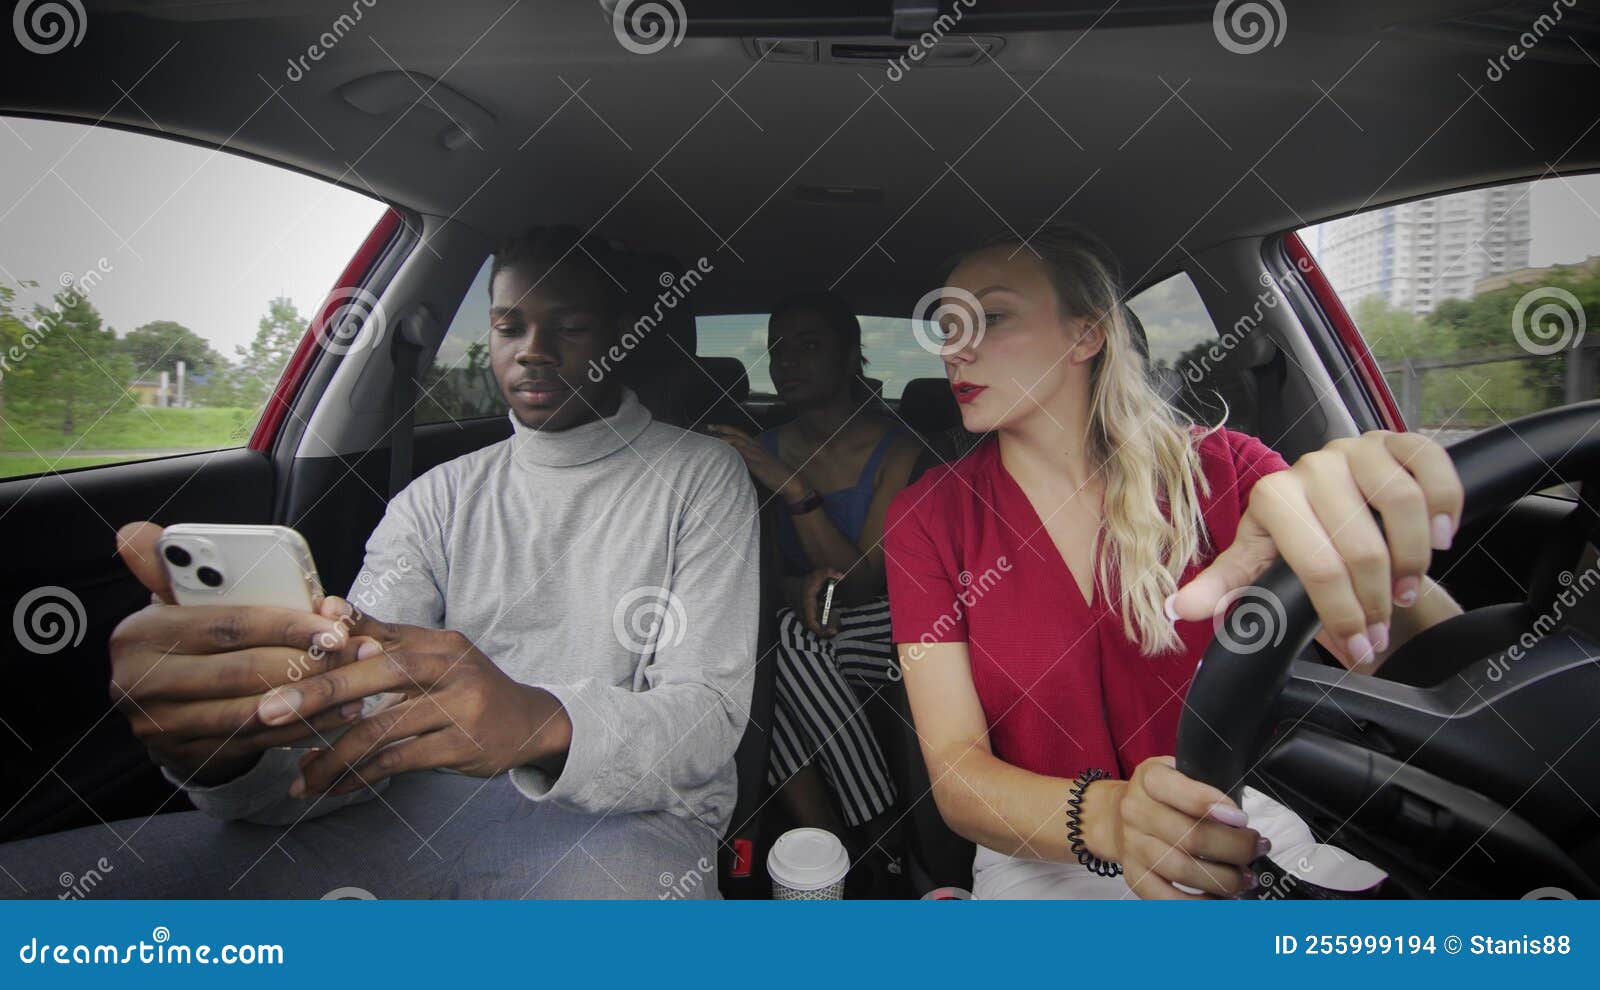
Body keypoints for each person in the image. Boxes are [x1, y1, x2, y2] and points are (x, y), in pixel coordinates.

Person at [0, 226, 760, 899]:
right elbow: (357, 715)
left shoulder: (700, 475)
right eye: (508, 326)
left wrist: (534, 719)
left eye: (570, 326)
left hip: (621, 823)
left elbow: (704, 720)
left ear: (620, 334)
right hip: (403, 806)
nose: (532, 349)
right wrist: (233, 757)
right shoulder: (435, 498)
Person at [884, 226, 1464, 899]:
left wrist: (1379, 549)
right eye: (947, 326)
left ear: (1085, 334)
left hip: (1243, 823)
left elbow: (1434, 683)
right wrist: (1112, 818)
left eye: (992, 317)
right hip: (1045, 853)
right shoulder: (927, 519)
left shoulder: (1231, 473)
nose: (954, 348)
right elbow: (957, 772)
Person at [707, 291, 920, 887]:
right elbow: (745, 572)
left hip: (889, 621)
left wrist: (796, 491)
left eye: (808, 345)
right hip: (799, 619)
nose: (787, 361)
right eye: (777, 349)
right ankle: (859, 842)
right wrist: (796, 585)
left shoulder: (898, 451)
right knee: (760, 664)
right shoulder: (759, 450)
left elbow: (865, 583)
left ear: (851, 356)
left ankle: (858, 834)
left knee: (781, 648)